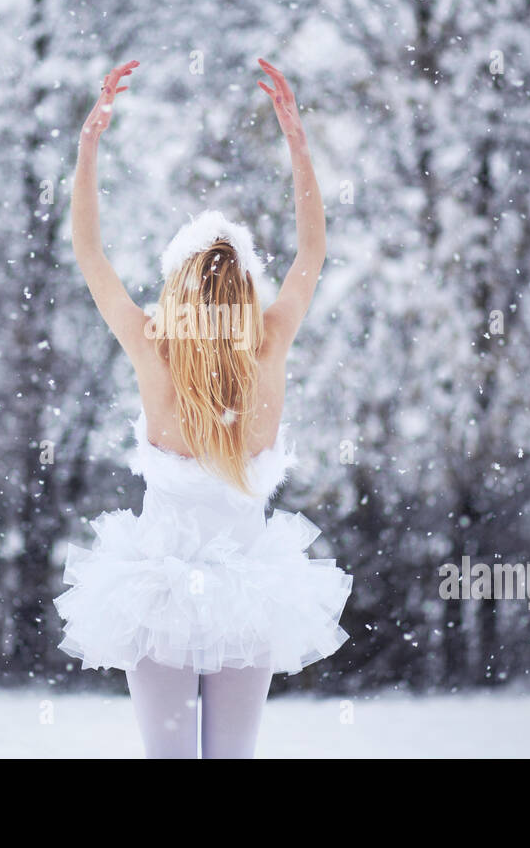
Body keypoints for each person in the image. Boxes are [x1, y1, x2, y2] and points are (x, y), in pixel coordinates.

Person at [53, 57, 352, 758]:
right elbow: (314, 248)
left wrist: (88, 147)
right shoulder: (270, 343)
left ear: (180, 292)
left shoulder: (154, 354)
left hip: (157, 588)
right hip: (251, 589)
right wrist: (299, 145)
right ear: (247, 292)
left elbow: (90, 253)